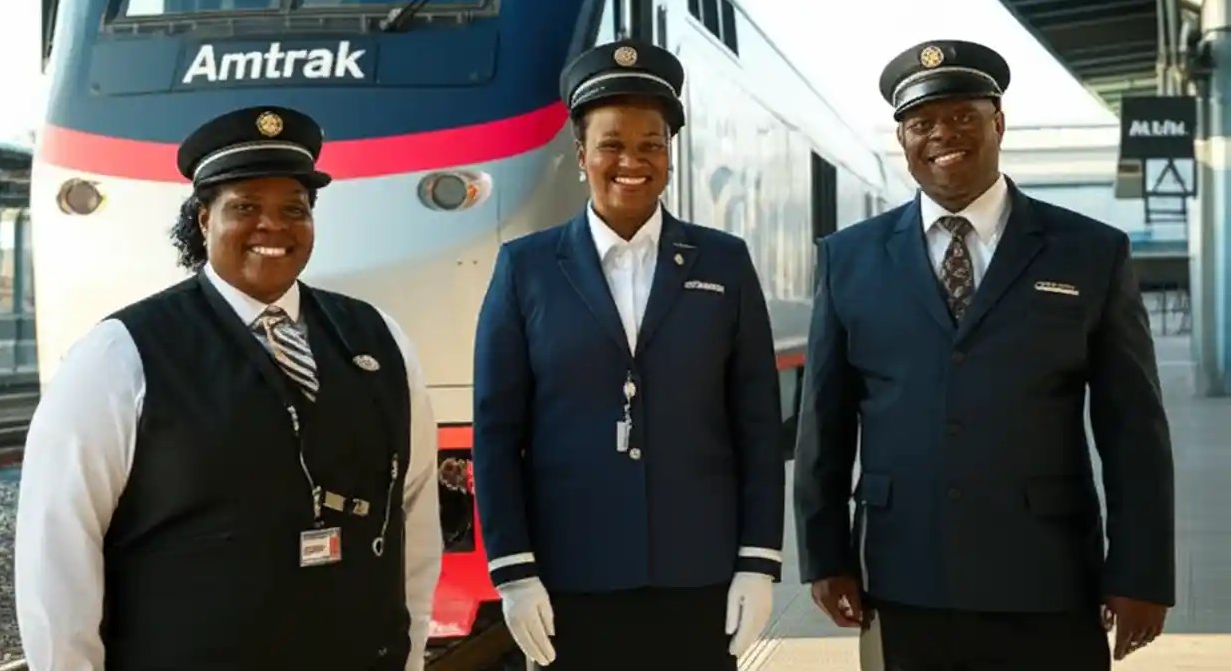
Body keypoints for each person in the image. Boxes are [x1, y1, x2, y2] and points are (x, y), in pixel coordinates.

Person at [14, 105, 442, 670]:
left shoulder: (381, 341)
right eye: (244, 207)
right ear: (202, 219)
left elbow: (415, 522)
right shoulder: (119, 355)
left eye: (295, 209)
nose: (273, 226)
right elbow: (57, 553)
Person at [792, 39, 1175, 670]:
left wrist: (1142, 573)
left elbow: (1134, 429)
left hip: (1047, 577)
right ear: (903, 139)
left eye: (964, 116)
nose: (944, 134)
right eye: (922, 123)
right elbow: (824, 424)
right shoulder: (848, 259)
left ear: (998, 122)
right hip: (902, 573)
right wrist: (826, 555)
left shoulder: (1089, 252)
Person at [471, 40, 785, 671]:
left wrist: (759, 560)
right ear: (580, 153)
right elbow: (497, 431)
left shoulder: (723, 262)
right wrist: (513, 571)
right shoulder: (525, 268)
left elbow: (756, 422)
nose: (632, 161)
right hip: (571, 579)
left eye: (652, 145)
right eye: (612, 143)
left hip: (699, 577)